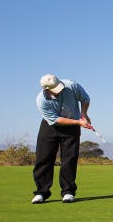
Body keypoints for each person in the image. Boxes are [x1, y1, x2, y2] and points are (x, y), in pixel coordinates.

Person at [32, 73, 93, 204]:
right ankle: (41, 192)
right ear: (46, 90)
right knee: (44, 158)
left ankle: (68, 192)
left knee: (69, 159)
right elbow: (56, 120)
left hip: (72, 127)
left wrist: (83, 113)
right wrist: (78, 122)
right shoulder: (41, 100)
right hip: (51, 126)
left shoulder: (72, 86)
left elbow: (85, 98)